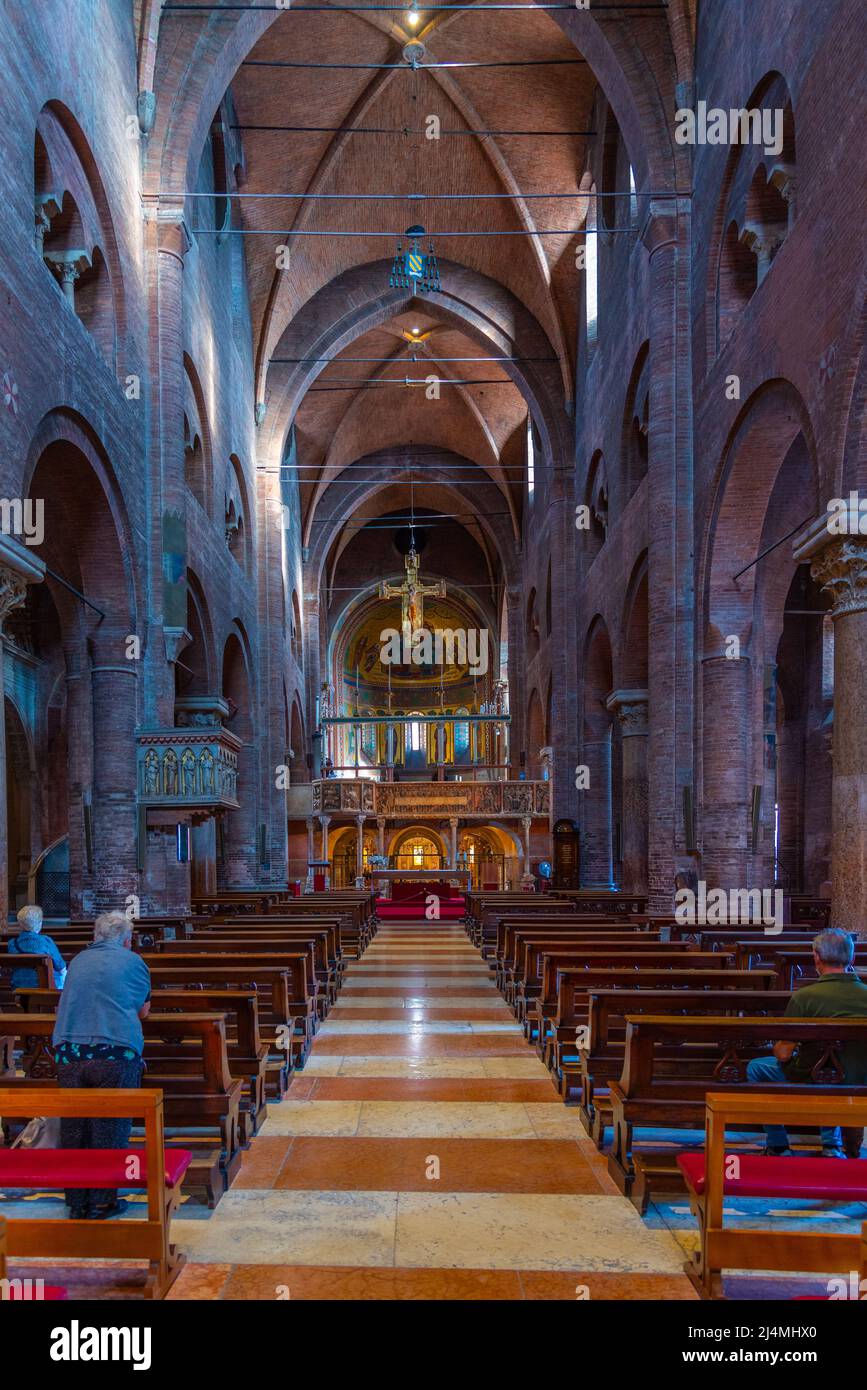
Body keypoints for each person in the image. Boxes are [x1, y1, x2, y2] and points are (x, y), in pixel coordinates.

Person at [52, 911, 151, 1219]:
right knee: (110, 1125)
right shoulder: (133, 961)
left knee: (74, 1127)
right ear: (127, 939)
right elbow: (144, 1010)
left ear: (95, 937)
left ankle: (77, 1201)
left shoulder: (79, 960)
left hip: (69, 1050)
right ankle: (102, 1200)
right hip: (114, 1050)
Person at [746, 928, 867, 1158]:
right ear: (851, 958)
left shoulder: (805, 997)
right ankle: (831, 1145)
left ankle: (778, 1145)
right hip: (860, 1078)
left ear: (816, 957)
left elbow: (783, 1054)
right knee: (834, 1070)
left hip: (813, 1077)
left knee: (757, 1068)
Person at [7, 903, 66, 989]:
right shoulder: (46, 941)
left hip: (18, 987)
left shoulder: (12, 943)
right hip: (44, 987)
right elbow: (61, 967)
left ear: (20, 924)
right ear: (39, 923)